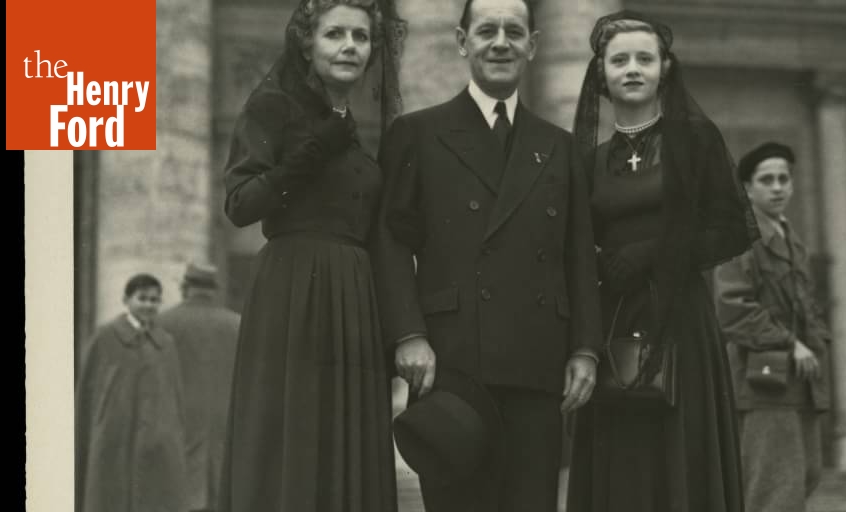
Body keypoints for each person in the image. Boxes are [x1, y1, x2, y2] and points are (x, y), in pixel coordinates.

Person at [372, 0, 604, 509]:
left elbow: (579, 258)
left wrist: (586, 348)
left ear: (533, 47)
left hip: (537, 367)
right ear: (462, 42)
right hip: (451, 362)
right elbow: (390, 244)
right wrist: (409, 336)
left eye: (514, 32)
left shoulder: (560, 146)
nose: (501, 42)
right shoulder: (417, 132)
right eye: (487, 31)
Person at [565, 10, 761, 512]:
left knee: (682, 457)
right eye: (619, 59)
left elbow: (733, 228)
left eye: (644, 59)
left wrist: (653, 252)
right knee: (623, 461)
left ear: (664, 69)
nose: (632, 68)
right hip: (613, 322)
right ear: (601, 74)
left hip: (680, 322)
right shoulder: (589, 160)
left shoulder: (695, 142)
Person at [217, 0, 406, 511]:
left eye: (361, 37)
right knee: (292, 443)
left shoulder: (353, 117)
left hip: (353, 300)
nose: (350, 46)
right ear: (307, 43)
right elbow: (239, 205)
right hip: (295, 294)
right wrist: (311, 154)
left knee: (347, 444)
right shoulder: (273, 104)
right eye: (335, 34)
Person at [713, 142, 833, 512]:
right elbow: (731, 309)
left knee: (804, 478)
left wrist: (818, 342)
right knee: (773, 490)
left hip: (800, 383)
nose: (778, 187)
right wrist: (790, 343)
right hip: (763, 382)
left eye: (784, 179)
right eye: (767, 180)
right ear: (748, 188)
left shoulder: (789, 238)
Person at [75, 273, 188, 512]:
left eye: (155, 300)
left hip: (156, 443)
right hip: (115, 438)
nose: (149, 305)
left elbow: (174, 396)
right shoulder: (105, 339)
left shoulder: (165, 343)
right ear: (126, 300)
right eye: (142, 298)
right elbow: (91, 393)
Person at [156, 262, 241, 512]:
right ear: (215, 289)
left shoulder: (162, 323)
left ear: (184, 287)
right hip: (224, 427)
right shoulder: (237, 324)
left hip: (175, 426)